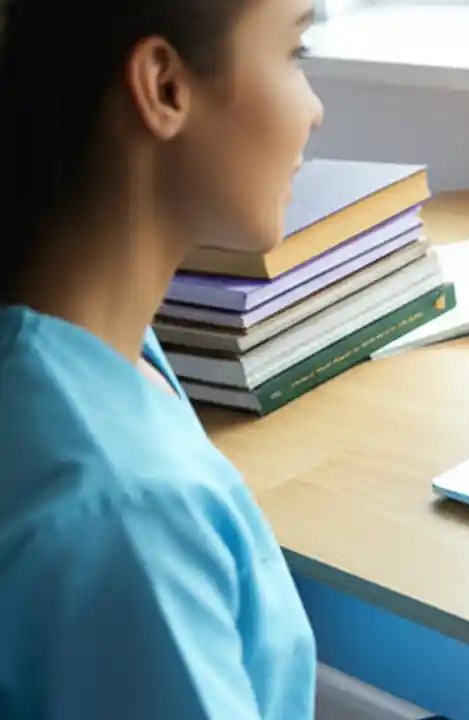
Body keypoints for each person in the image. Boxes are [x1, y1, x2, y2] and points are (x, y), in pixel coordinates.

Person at [0, 0, 327, 717]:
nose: (314, 110)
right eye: (295, 52)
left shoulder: (96, 350)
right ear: (164, 87)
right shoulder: (125, 512)